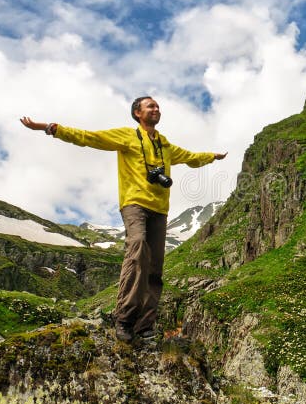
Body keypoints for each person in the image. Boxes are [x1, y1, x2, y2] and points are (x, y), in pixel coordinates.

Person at [20, 96, 227, 342]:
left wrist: (211, 156)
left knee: (154, 269)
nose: (156, 109)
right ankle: (124, 319)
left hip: (160, 210)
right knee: (137, 249)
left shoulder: (164, 144)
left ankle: (145, 327)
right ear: (137, 113)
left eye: (158, 106)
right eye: (151, 106)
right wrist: (51, 128)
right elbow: (90, 138)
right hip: (134, 204)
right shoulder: (127, 136)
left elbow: (190, 157)